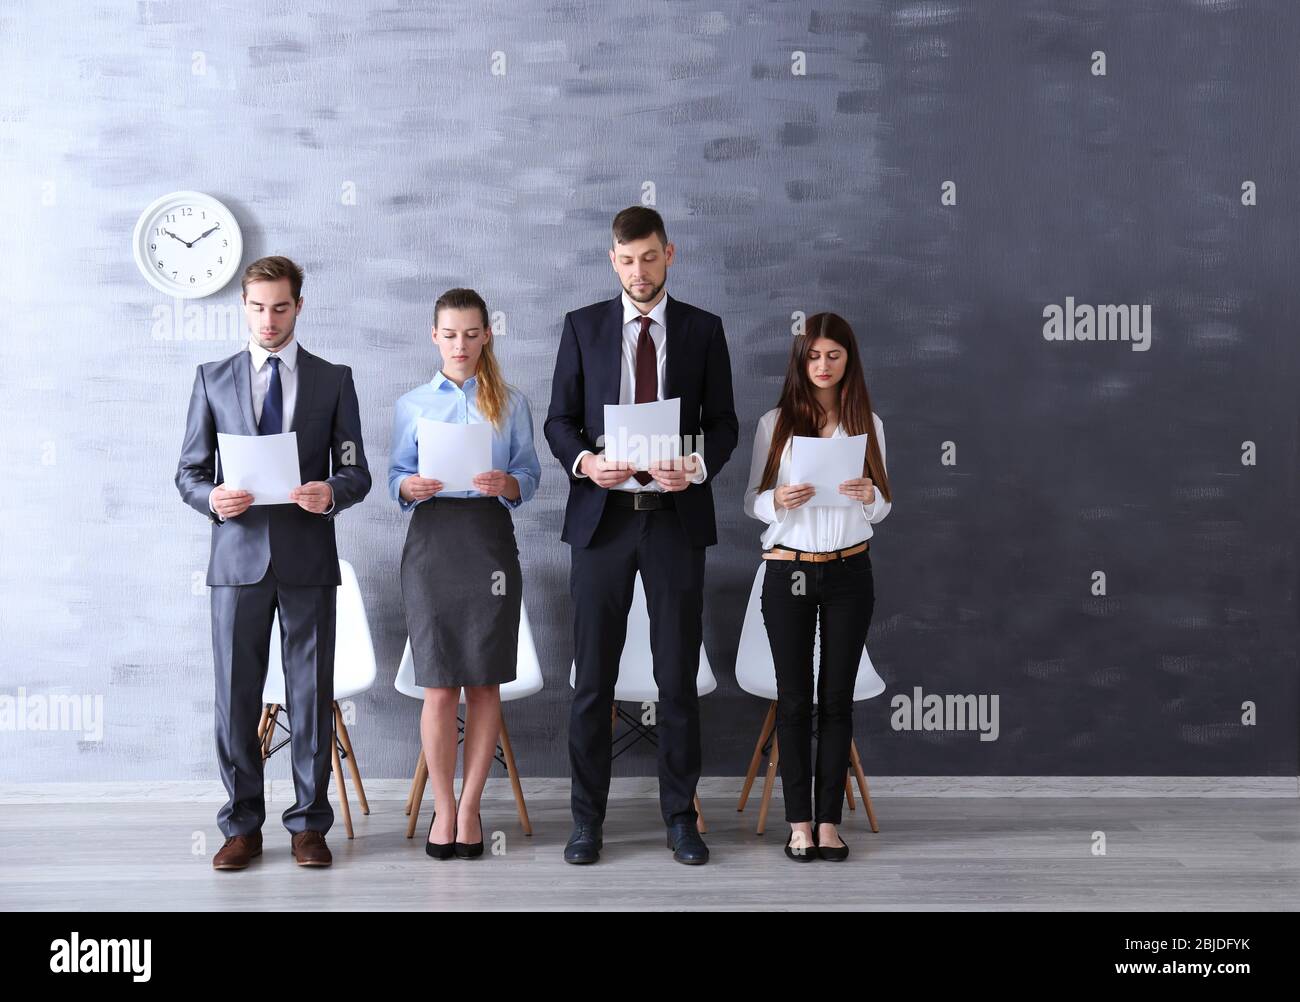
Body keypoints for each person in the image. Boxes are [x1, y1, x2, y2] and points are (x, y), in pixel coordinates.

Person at [544, 207, 739, 865]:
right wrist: (585, 462)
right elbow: (558, 420)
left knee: (676, 677)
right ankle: (585, 823)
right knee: (591, 682)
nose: (639, 271)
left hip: (675, 522)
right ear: (613, 260)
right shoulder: (583, 326)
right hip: (602, 523)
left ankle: (681, 819)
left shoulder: (703, 330)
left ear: (670, 254)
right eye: (627, 260)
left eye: (649, 257)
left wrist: (699, 464)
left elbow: (725, 423)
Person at [175, 255, 372, 870]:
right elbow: (187, 472)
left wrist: (332, 493)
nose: (268, 319)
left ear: (299, 306)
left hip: (308, 554)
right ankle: (241, 826)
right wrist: (211, 497)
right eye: (257, 308)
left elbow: (356, 470)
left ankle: (310, 826)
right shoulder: (212, 377)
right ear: (244, 306)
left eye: (280, 307)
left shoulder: (333, 379)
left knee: (310, 695)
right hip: (236, 560)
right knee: (235, 695)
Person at [388, 288, 541, 860]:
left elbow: (529, 471)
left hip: (487, 543)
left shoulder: (512, 402)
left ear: (486, 335)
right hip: (430, 543)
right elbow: (395, 473)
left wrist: (510, 484)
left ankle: (472, 808)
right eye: (450, 334)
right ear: (434, 336)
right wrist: (408, 485)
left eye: (472, 333)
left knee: (483, 683)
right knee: (437, 685)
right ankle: (443, 810)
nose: (461, 344)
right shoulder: (411, 404)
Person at [742, 312, 892, 862]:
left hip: (851, 571)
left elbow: (883, 507)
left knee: (837, 700)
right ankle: (798, 823)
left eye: (833, 355)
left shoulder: (868, 424)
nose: (823, 365)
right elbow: (751, 504)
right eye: (813, 356)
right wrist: (775, 501)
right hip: (789, 570)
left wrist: (866, 495)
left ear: (848, 359)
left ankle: (830, 822)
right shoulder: (774, 424)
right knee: (795, 701)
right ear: (800, 362)